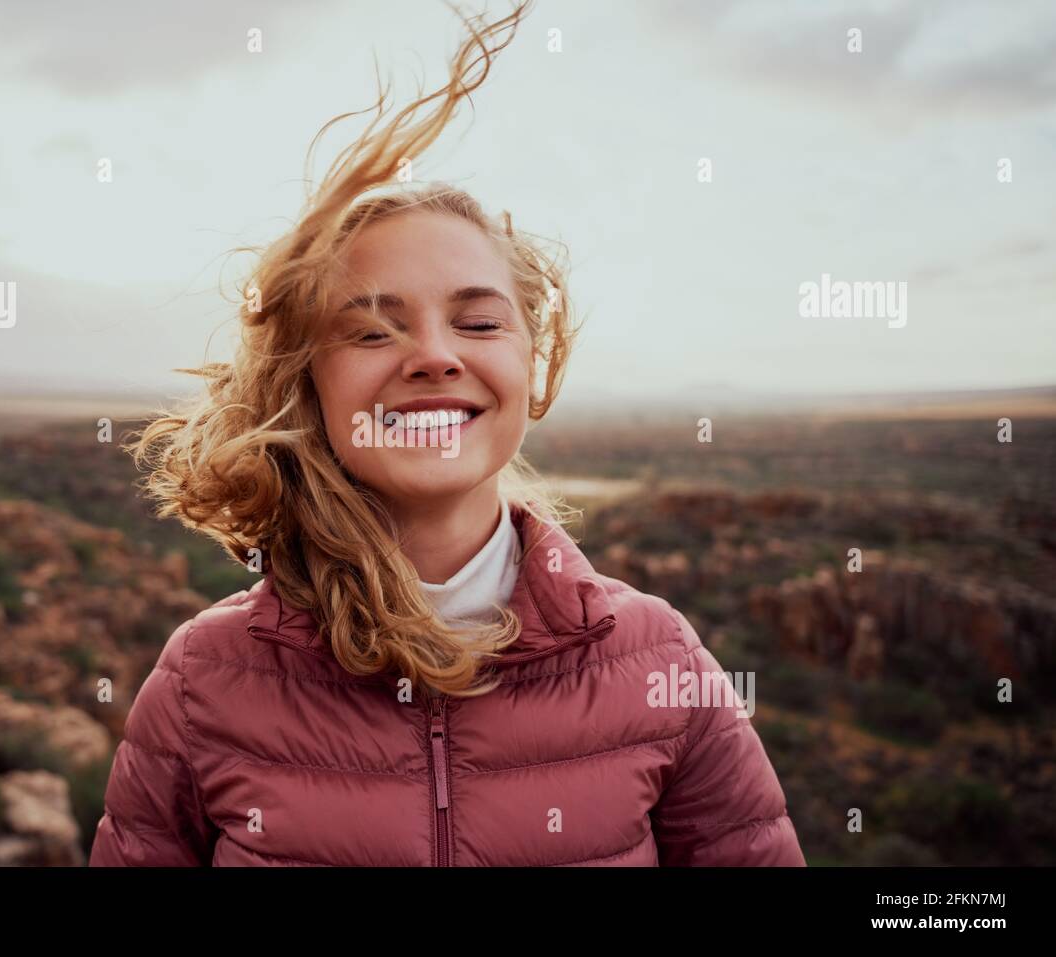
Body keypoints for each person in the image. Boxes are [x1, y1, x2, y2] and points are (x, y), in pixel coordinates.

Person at [89, 0, 805, 867]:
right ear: (307, 382)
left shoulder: (659, 661)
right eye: (371, 329)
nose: (433, 356)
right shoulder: (205, 678)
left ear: (532, 361)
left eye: (478, 322)